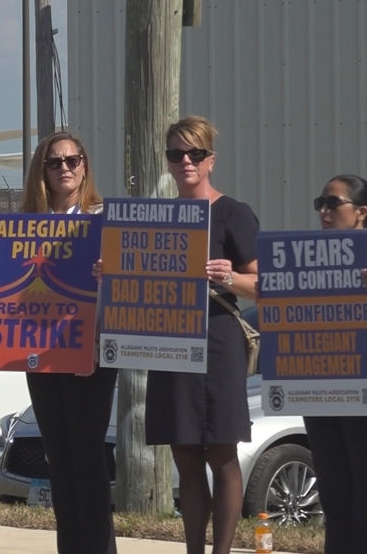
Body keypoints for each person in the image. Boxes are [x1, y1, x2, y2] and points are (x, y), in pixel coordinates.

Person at [146, 116, 258, 554]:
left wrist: (230, 276)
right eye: (177, 154)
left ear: (211, 160)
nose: (186, 161)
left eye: (195, 154)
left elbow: (263, 285)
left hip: (218, 337)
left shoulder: (234, 213)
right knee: (186, 454)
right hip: (171, 341)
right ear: (169, 162)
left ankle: (222, 550)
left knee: (221, 454)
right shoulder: (157, 217)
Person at [23, 132, 117, 554]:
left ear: (85, 166)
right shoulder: (22, 225)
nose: (65, 168)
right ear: (41, 170)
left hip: (89, 354)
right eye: (55, 161)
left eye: (73, 160)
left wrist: (109, 275)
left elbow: (131, 290)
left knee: (87, 459)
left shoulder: (104, 217)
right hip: (41, 354)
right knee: (58, 460)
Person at [303, 174, 367, 554]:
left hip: (361, 387)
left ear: (361, 212)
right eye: (320, 204)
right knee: (334, 488)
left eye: (333, 203)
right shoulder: (305, 258)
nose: (324, 212)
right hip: (319, 383)